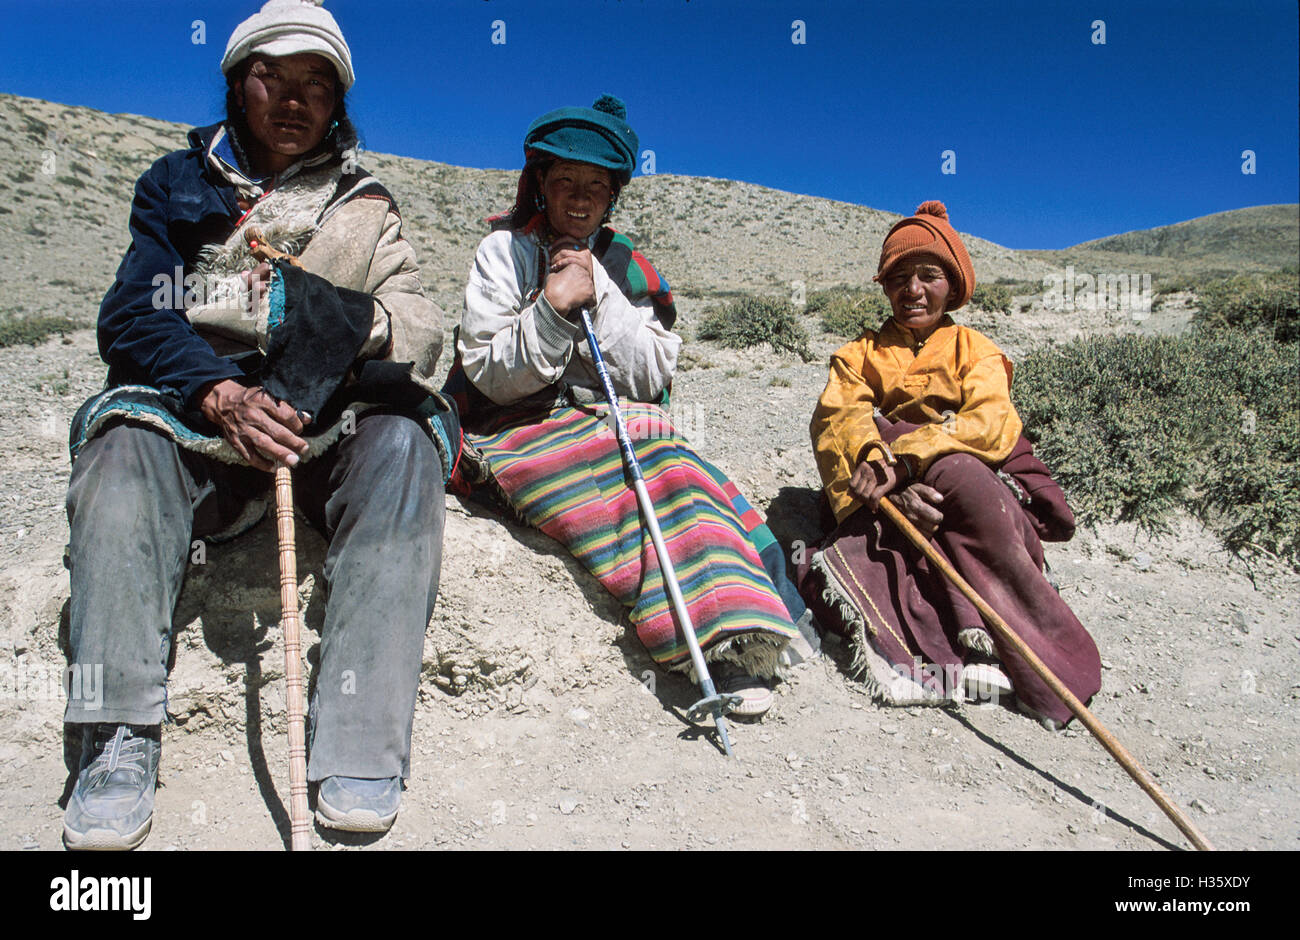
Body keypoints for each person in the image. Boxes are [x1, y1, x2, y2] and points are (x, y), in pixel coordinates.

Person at [61, 0, 455, 849]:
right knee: (120, 455)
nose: (294, 99)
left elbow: (422, 327)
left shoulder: (365, 205)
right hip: (195, 423)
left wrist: (330, 320)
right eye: (274, 77)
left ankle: (359, 744)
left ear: (337, 103)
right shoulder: (178, 182)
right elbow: (136, 314)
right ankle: (116, 738)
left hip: (318, 433)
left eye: (318, 85)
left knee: (405, 446)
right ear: (240, 83)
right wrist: (219, 393)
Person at [449, 96, 815, 718]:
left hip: (614, 415)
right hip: (514, 425)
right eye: (564, 179)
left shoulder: (626, 266)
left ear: (613, 193)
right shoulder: (503, 254)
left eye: (597, 184)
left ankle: (754, 627)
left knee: (681, 470)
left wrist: (602, 296)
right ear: (540, 181)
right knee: (638, 486)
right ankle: (710, 646)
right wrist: (553, 308)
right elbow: (488, 372)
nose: (579, 197)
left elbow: (649, 374)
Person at [800, 201, 1101, 728]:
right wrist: (881, 468)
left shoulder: (975, 349)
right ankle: (958, 654)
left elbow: (988, 420)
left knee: (964, 482)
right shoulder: (857, 354)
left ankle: (1043, 668)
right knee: (895, 514)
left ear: (954, 284)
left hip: (954, 471)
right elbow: (839, 418)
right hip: (884, 482)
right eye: (898, 278)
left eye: (928, 275)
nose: (912, 290)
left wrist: (912, 462)